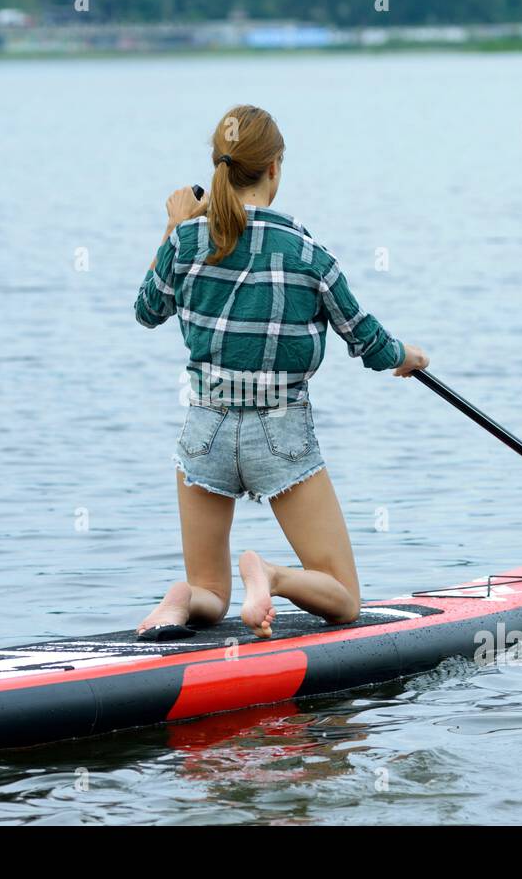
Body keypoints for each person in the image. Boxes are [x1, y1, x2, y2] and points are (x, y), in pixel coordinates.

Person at [134, 104, 429, 639]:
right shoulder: (304, 248)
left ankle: (182, 599)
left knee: (210, 593)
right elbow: (365, 338)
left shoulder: (184, 242)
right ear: (274, 168)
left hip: (207, 431)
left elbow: (147, 311)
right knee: (343, 600)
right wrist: (406, 358)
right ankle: (270, 573)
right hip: (281, 433)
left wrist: (172, 227)